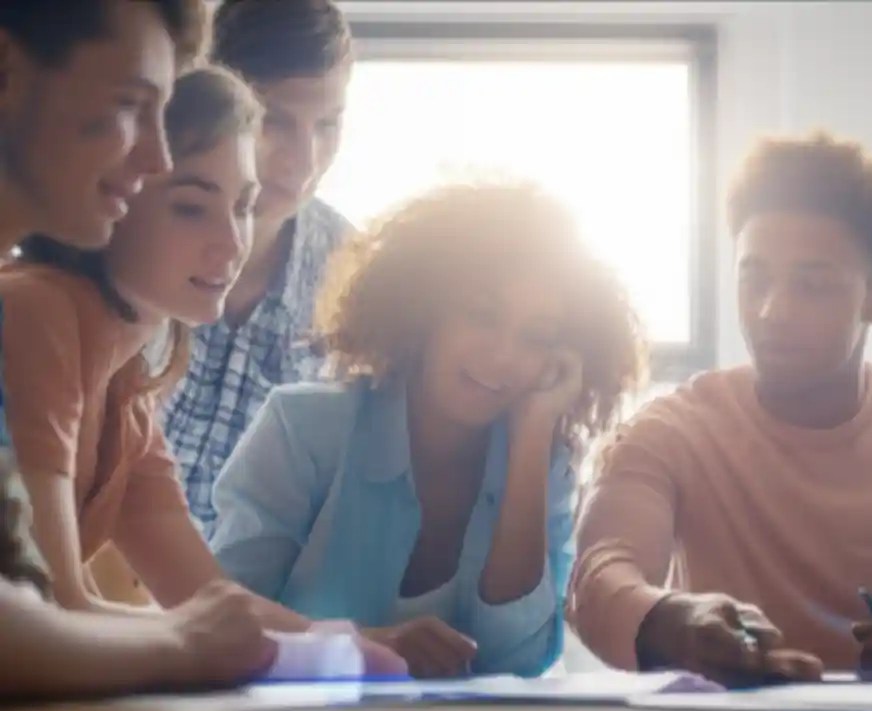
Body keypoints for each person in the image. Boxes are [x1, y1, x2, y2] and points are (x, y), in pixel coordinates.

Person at [569, 132, 872, 687]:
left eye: (813, 285)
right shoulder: (672, 431)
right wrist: (672, 623)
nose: (772, 311)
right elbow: (596, 581)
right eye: (754, 278)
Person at [209, 181, 646, 679]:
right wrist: (363, 647)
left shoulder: (543, 464)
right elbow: (221, 619)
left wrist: (531, 437)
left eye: (537, 337)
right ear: (424, 308)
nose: (504, 355)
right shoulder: (303, 429)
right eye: (482, 316)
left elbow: (520, 659)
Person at [0, 0, 278, 697]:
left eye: (245, 206)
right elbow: (48, 605)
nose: (151, 157)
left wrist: (358, 644)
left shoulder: (128, 382)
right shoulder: (34, 310)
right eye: (130, 105)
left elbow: (206, 602)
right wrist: (185, 642)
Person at [161, 0, 356, 537]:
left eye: (327, 125)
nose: (306, 160)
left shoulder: (352, 276)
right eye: (276, 121)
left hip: (248, 583)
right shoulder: (134, 225)